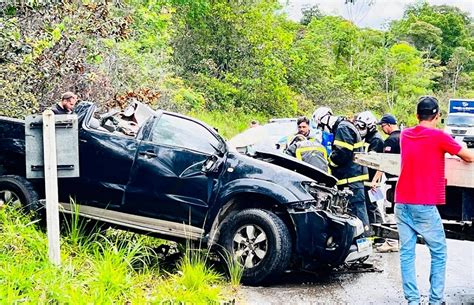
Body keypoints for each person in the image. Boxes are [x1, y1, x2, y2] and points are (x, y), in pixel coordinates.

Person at [394, 96, 474, 305]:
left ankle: (412, 301)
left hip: (401, 201)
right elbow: (468, 156)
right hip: (423, 203)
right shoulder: (439, 137)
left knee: (407, 253)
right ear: (437, 115)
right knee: (438, 252)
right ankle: (435, 300)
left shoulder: (405, 135)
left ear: (416, 114)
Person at [313, 107, 371, 236]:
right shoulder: (344, 126)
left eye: (321, 126)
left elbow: (342, 153)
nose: (323, 130)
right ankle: (360, 240)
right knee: (355, 211)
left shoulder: (342, 128)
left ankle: (363, 241)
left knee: (357, 211)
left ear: (324, 120)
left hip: (351, 179)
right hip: (352, 177)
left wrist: (329, 163)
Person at [371, 113, 401, 253]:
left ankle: (391, 241)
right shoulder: (404, 137)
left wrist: (375, 180)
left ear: (388, 125)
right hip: (404, 179)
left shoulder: (390, 141)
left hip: (393, 181)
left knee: (389, 211)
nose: (382, 129)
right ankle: (400, 240)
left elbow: (384, 163)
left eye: (383, 126)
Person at [354, 111, 384, 225]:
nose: (360, 129)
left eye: (362, 126)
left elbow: (376, 162)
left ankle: (379, 232)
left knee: (372, 207)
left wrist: (374, 181)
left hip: (372, 180)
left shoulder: (376, 140)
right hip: (367, 179)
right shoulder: (368, 138)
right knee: (369, 205)